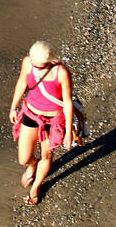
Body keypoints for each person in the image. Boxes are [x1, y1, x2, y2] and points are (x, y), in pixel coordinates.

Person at [9, 40, 74, 205]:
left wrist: (68, 133)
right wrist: (13, 107)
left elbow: (67, 102)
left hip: (52, 121)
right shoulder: (27, 62)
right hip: (31, 114)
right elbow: (22, 82)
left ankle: (36, 187)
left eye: (41, 66)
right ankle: (32, 165)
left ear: (50, 60)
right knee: (24, 158)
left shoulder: (61, 72)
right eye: (34, 64)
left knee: (46, 155)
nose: (36, 67)